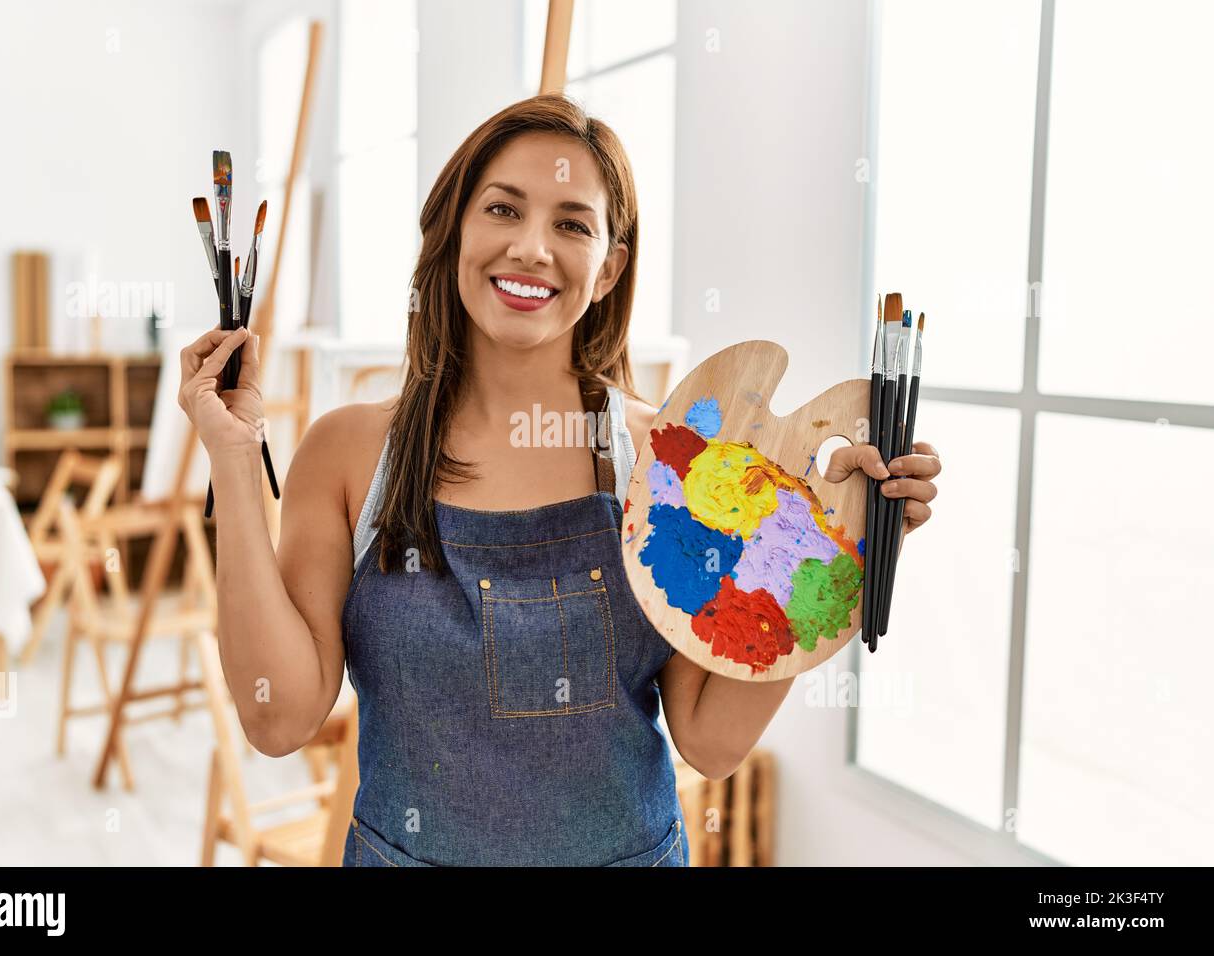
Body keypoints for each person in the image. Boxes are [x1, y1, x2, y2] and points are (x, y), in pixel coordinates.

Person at [177, 93, 942, 867]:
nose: (533, 249)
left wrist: (834, 548)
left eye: (572, 223)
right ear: (454, 232)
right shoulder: (348, 453)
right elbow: (278, 721)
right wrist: (236, 461)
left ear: (609, 267)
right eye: (503, 210)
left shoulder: (667, 462)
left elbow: (710, 741)